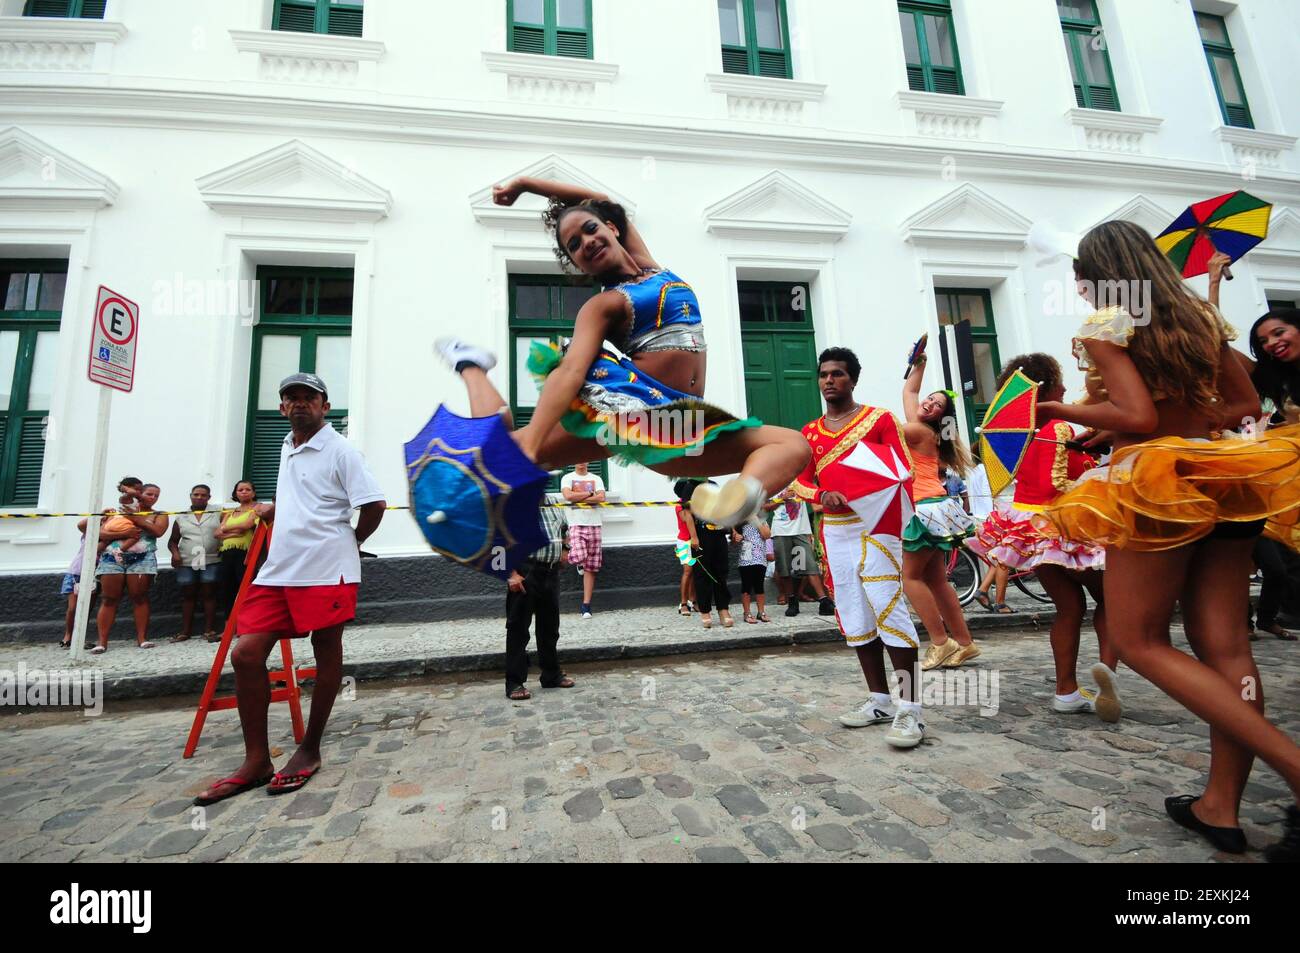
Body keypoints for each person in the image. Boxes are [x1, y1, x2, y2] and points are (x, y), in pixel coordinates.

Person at [1037, 219, 1300, 861]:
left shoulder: (1105, 325)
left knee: (1138, 640)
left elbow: (1138, 418)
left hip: (1158, 490)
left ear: (1102, 276)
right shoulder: (1200, 320)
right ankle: (1219, 806)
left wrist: (1061, 412)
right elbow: (1242, 411)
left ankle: (1294, 769)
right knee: (1227, 648)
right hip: (1226, 478)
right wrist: (1167, 423)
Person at [434, 175, 810, 536]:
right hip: (633, 411)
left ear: (612, 227)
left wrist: (527, 186)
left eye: (590, 229)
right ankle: (470, 368)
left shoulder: (648, 266)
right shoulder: (602, 306)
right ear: (577, 264)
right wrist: (533, 439)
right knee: (517, 454)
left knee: (793, 446)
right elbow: (570, 373)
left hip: (682, 424)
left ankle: (736, 502)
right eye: (574, 246)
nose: (586, 242)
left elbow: (601, 200)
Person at [194, 373, 386, 805]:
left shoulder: (341, 450)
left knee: (326, 650)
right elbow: (311, 497)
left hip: (326, 568)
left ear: (325, 405)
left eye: (309, 398)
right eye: (291, 399)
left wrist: (351, 542)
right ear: (282, 408)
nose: (299, 404)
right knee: (245, 653)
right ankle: (256, 760)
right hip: (278, 568)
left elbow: (372, 503)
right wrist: (273, 507)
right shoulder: (287, 446)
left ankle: (309, 748)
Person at [965, 354, 1118, 721]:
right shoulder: (1061, 430)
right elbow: (1064, 484)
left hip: (1032, 534)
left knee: (1067, 610)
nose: (1065, 388)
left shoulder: (1021, 436)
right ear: (1045, 388)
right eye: (1059, 382)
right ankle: (1107, 678)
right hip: (1071, 530)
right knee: (1110, 604)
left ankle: (1065, 689)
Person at [793, 348, 926, 749]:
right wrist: (822, 492)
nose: (829, 380)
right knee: (853, 612)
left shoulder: (879, 419)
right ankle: (880, 700)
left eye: (837, 374)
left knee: (889, 609)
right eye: (823, 374)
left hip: (877, 525)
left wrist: (862, 491)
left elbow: (904, 468)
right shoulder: (809, 432)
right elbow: (799, 483)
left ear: (852, 379)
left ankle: (912, 711)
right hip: (835, 531)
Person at [901, 349, 980, 670]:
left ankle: (939, 642)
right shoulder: (924, 428)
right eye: (930, 399)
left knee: (910, 579)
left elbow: (882, 431)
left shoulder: (918, 431)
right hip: (936, 508)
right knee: (936, 581)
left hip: (924, 509)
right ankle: (964, 643)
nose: (929, 403)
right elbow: (909, 391)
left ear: (940, 417)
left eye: (937, 405)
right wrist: (920, 364)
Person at [505, 494, 576, 700]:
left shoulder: (554, 502)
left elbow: (564, 530)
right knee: (518, 629)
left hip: (550, 572)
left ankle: (551, 675)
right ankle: (514, 683)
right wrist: (510, 575)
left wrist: (564, 550)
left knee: (550, 628)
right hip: (524, 572)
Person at [92, 483, 167, 653]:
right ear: (140, 494)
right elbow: (101, 533)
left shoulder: (159, 514)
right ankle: (102, 641)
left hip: (142, 558)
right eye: (149, 494)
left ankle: (142, 638)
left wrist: (135, 518)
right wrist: (125, 533)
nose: (153, 498)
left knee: (139, 596)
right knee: (109, 598)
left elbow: (158, 531)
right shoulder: (119, 511)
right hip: (112, 557)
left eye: (156, 495)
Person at [764, 487, 834, 616]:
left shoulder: (799, 482)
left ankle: (824, 601)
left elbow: (814, 500)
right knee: (785, 569)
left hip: (801, 531)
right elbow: (765, 507)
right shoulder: (776, 482)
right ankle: (792, 600)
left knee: (808, 565)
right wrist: (782, 499)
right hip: (781, 531)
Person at [168, 484, 221, 642]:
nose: (199, 497)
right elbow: (173, 541)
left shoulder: (218, 513)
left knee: (209, 593)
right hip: (187, 559)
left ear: (209, 497)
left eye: (203, 495)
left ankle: (209, 630)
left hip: (211, 558)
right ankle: (185, 631)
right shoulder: (182, 516)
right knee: (188, 595)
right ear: (190, 496)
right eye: (196, 494)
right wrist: (175, 554)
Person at [679, 478, 733, 629]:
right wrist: (694, 536)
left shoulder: (714, 485)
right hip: (701, 535)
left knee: (721, 573)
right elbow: (687, 513)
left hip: (718, 534)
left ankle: (723, 609)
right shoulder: (690, 487)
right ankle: (705, 611)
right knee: (702, 574)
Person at [965, 445, 1013, 611]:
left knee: (998, 558)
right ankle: (1000, 603)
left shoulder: (972, 472)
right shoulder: (989, 471)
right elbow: (991, 496)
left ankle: (983, 590)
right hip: (993, 518)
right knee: (1004, 559)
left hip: (979, 518)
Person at [215, 479, 260, 635]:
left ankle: (246, 625)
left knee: (245, 589)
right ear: (235, 493)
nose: (243, 492)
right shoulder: (229, 513)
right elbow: (217, 533)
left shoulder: (256, 509)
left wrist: (227, 530)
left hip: (245, 553)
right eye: (240, 490)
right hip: (227, 553)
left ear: (253, 492)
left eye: (247, 489)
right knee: (227, 589)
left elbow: (247, 526)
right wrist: (234, 531)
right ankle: (229, 627)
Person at [560, 462, 604, 619]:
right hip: (576, 523)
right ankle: (579, 562)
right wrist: (591, 495)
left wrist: (579, 496)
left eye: (585, 458)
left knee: (591, 568)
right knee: (579, 556)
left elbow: (602, 498)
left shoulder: (596, 478)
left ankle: (586, 605)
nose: (581, 461)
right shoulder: (567, 478)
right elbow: (568, 496)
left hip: (595, 523)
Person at [60, 519, 97, 649]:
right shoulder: (91, 532)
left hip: (93, 575)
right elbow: (80, 524)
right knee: (73, 607)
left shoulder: (113, 536)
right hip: (77, 573)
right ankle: (68, 636)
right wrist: (100, 514)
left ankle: (80, 637)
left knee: (86, 609)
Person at [733, 516, 772, 623]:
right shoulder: (739, 521)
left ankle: (761, 612)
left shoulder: (761, 520)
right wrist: (736, 536)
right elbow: (734, 540)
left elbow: (767, 535)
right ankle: (747, 613)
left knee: (759, 585)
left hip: (760, 559)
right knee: (747, 586)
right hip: (746, 559)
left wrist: (756, 520)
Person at [672, 484, 697, 615]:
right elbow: (684, 518)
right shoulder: (679, 505)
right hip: (684, 541)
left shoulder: (694, 503)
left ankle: (693, 601)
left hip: (695, 540)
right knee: (688, 571)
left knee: (694, 572)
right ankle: (683, 603)